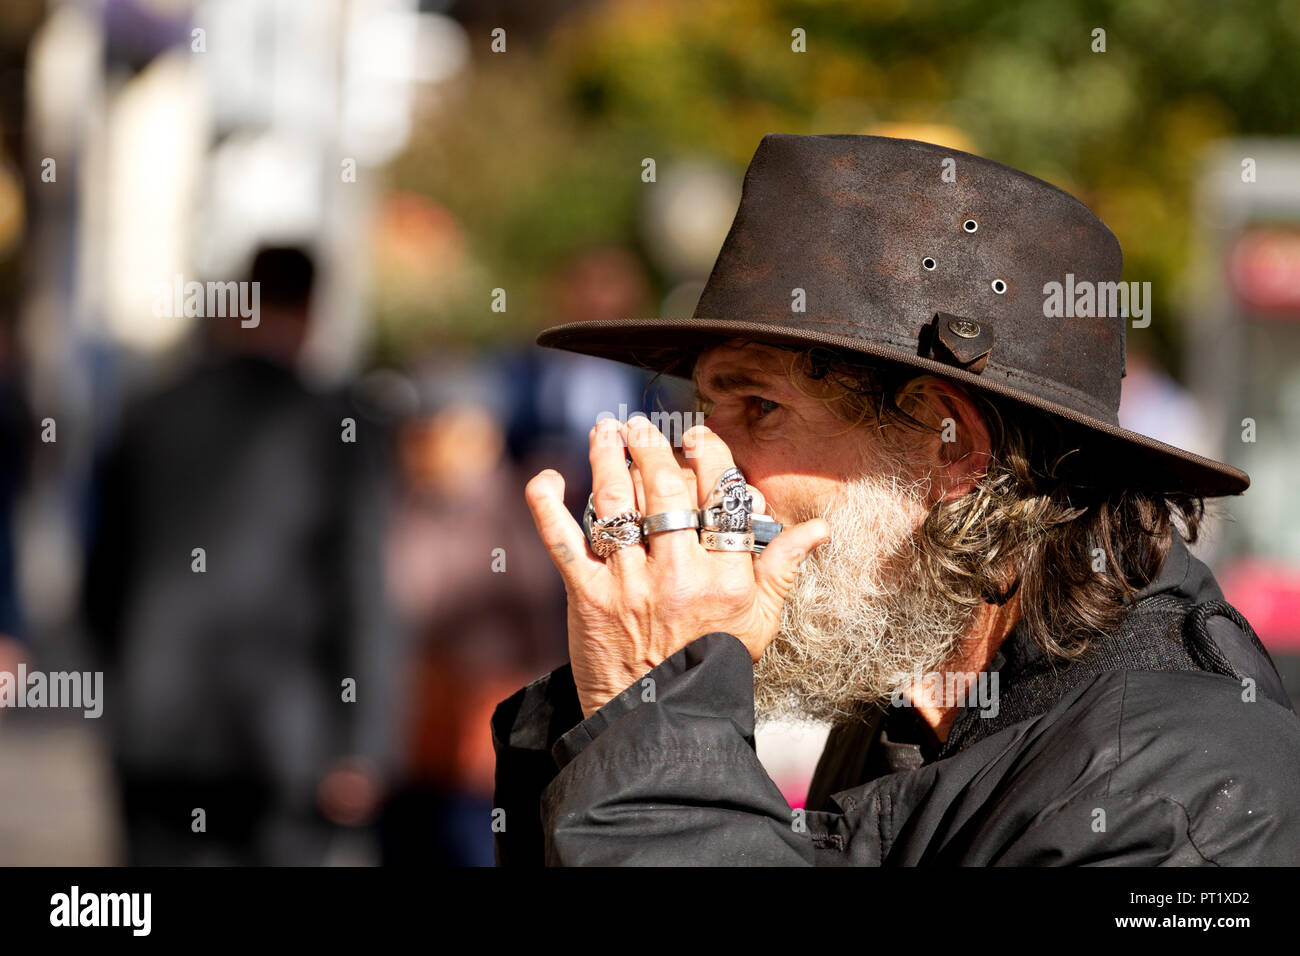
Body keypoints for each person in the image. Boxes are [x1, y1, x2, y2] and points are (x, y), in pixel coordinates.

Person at [491, 133, 1300, 865]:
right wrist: (604, 713)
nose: (697, 462)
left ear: (949, 449)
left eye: (757, 410)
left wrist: (655, 721)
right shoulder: (911, 691)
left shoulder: (1180, 797)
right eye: (704, 412)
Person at [85, 246, 397, 864]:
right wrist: (363, 740)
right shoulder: (339, 425)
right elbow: (361, 588)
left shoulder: (152, 411)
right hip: (283, 740)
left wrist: (127, 676)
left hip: (158, 729)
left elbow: (100, 578)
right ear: (312, 312)